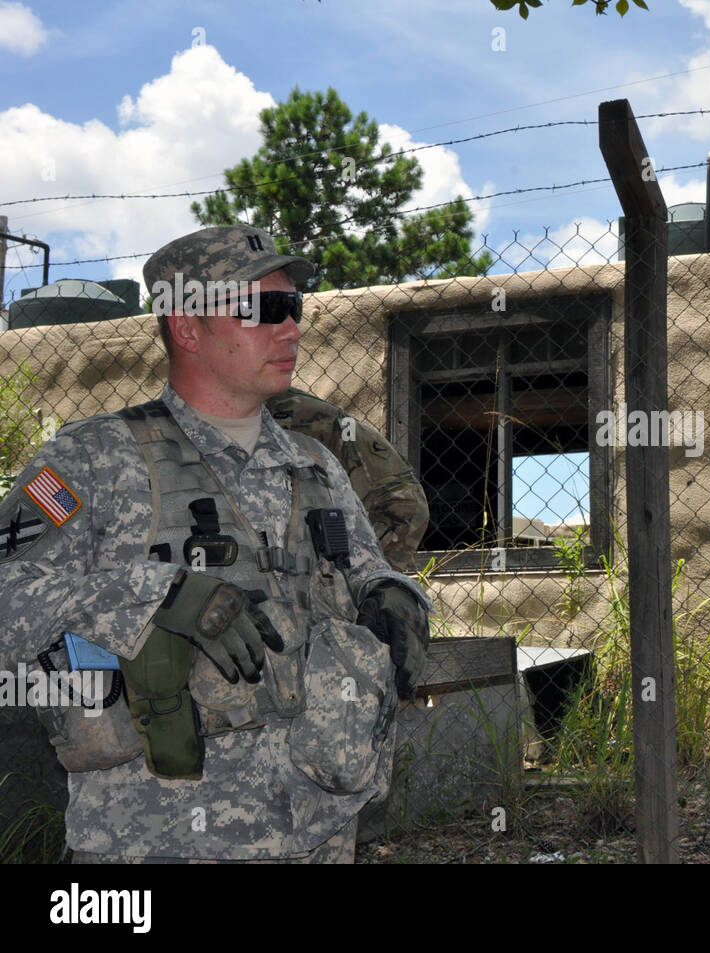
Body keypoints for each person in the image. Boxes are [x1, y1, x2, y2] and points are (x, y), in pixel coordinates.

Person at [0, 224, 433, 862]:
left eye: (296, 309)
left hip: (320, 838)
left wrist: (395, 599)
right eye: (266, 309)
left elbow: (369, 575)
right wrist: (155, 597)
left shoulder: (316, 466)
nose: (291, 329)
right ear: (187, 326)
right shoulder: (93, 459)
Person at [265, 388, 430, 572]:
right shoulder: (265, 406)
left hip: (391, 504)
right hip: (375, 498)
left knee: (356, 586)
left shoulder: (280, 410)